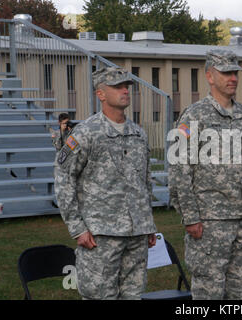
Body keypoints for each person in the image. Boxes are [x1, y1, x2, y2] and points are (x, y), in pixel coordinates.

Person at [54, 67, 157, 300]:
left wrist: (148, 222)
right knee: (100, 296)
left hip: (137, 234)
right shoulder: (85, 133)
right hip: (101, 236)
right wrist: (77, 228)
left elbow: (144, 182)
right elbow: (63, 178)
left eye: (127, 86)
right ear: (100, 94)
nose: (125, 90)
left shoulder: (138, 134)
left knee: (134, 295)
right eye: (118, 86)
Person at [168, 49, 242, 300]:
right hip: (210, 221)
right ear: (209, 76)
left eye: (235, 73)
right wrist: (190, 217)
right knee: (210, 290)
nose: (233, 78)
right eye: (226, 73)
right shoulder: (194, 115)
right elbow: (179, 170)